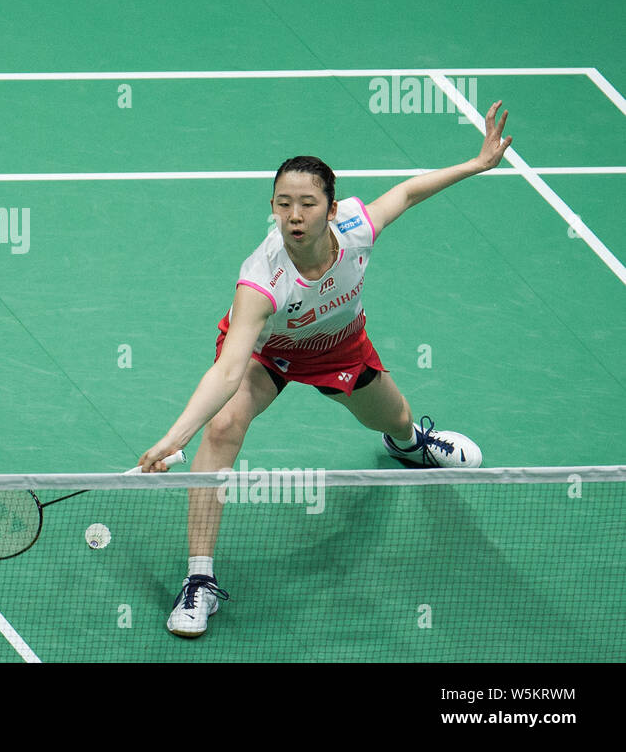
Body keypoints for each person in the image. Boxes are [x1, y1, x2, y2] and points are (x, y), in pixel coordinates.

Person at [139, 101, 513, 637]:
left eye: (307, 204)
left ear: (332, 209)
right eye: (283, 204)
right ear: (272, 206)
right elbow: (226, 373)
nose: (294, 216)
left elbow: (406, 192)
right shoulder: (261, 281)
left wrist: (475, 164)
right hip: (268, 355)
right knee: (223, 427)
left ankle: (411, 446)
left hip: (338, 348)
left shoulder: (357, 228)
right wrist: (175, 438)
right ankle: (199, 580)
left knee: (393, 416)